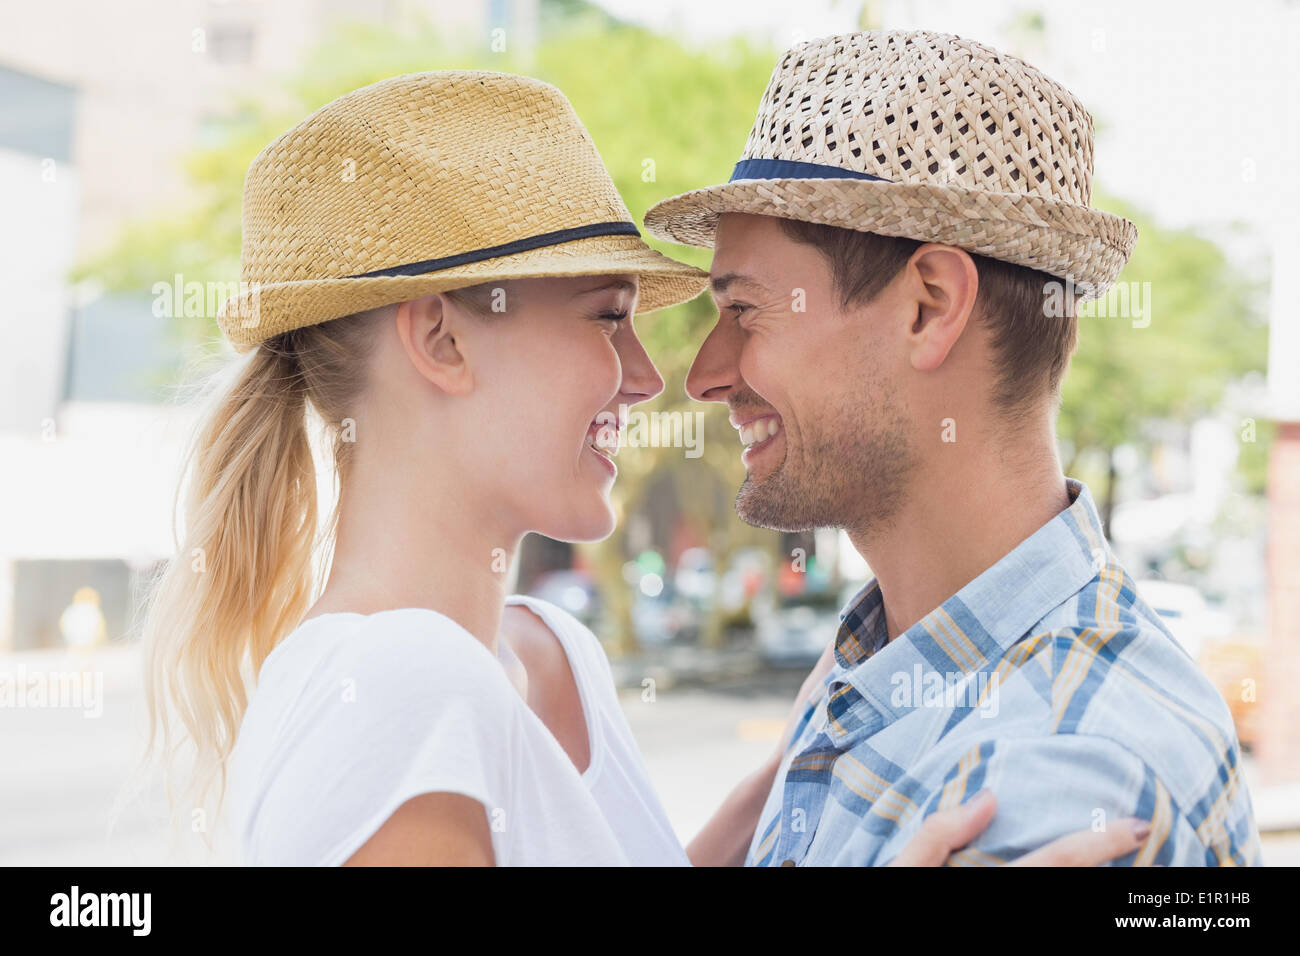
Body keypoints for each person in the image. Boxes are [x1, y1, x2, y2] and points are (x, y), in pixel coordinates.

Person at [140, 69, 1148, 867]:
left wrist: (816, 751)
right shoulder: (401, 686)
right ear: (442, 340)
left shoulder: (548, 651)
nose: (647, 378)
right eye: (607, 319)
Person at [642, 29, 1261, 866]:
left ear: (930, 307)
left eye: (745, 309)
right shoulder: (880, 666)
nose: (706, 374)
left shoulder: (1056, 783)